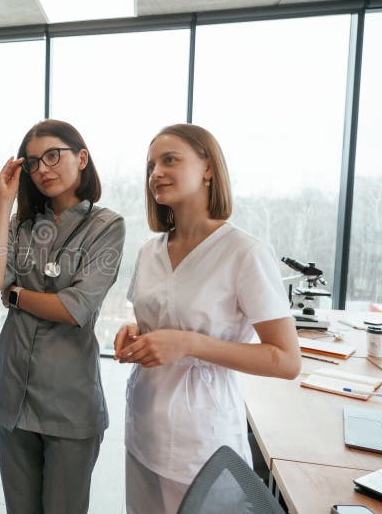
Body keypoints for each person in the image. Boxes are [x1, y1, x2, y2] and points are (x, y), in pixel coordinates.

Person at [114, 123, 301, 513]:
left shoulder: (244, 252)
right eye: (151, 165)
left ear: (208, 169)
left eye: (170, 160)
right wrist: (135, 334)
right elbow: (158, 320)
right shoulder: (151, 251)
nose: (156, 173)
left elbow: (286, 360)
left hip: (202, 443)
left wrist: (189, 344)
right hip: (143, 427)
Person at [0, 120, 125, 514]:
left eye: (53, 156)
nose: (42, 168)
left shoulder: (106, 225)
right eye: (32, 162)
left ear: (82, 157)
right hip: (12, 393)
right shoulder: (23, 224)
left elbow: (75, 307)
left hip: (68, 403)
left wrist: (17, 294)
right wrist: (4, 202)